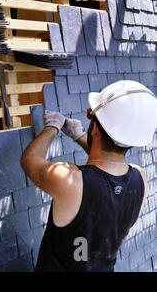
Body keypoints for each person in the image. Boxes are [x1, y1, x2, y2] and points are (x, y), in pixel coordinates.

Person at [20, 80, 157, 271]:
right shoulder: (141, 180)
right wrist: (78, 136)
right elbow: (106, 170)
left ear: (94, 128)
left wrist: (52, 127)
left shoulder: (70, 180)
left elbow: (30, 159)